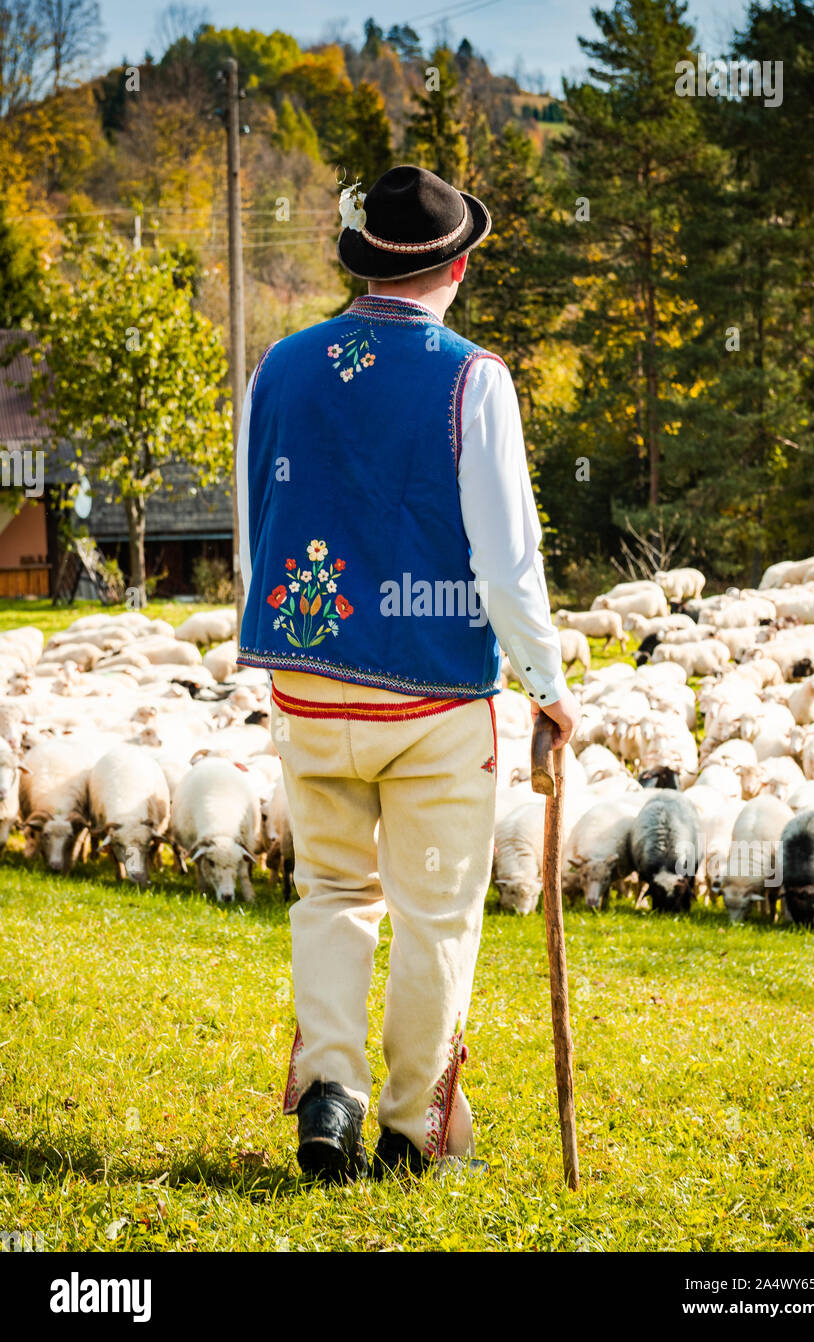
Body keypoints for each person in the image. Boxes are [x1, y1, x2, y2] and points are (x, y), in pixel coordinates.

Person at [236, 164, 579, 1183]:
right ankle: (409, 1124)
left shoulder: (279, 367)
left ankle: (329, 1093)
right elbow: (508, 559)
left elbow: (261, 530)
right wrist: (547, 685)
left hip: (305, 676)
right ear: (459, 265)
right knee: (435, 908)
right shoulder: (473, 378)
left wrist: (278, 650)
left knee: (332, 890)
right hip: (429, 696)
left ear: (358, 262)